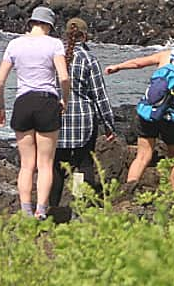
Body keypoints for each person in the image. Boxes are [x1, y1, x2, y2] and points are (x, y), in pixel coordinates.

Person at [0, 5, 71, 220]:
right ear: (49, 25)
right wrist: (65, 99)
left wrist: (1, 107)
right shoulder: (54, 44)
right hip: (47, 101)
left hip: (23, 102)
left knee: (27, 165)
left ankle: (26, 209)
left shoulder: (14, 44)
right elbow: (64, 77)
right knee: (45, 164)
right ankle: (41, 210)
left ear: (31, 23)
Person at [105, 36, 174, 189]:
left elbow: (138, 63)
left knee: (143, 155)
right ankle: (173, 195)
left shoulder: (166, 55)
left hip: (148, 112)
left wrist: (118, 67)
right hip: (172, 118)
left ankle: (128, 191)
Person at [49, 18, 115, 211]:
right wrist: (109, 125)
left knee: (56, 166)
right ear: (85, 36)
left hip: (56, 117)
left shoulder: (54, 56)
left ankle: (52, 207)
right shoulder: (88, 59)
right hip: (83, 119)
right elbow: (99, 95)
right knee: (83, 165)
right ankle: (78, 206)